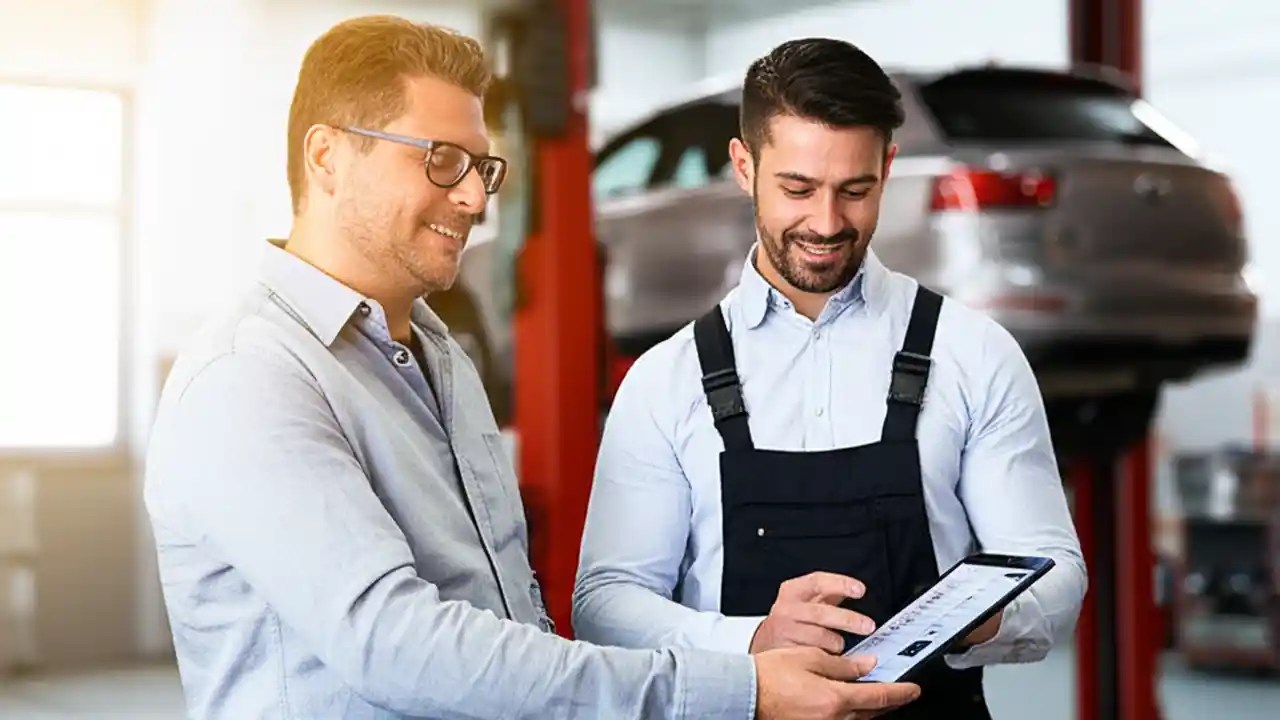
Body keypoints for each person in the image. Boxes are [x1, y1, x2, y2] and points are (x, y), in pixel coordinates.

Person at [142, 15, 923, 720]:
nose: (475, 200)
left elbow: (513, 623)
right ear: (327, 156)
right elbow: (398, 645)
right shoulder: (252, 378)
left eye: (483, 168)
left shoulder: (441, 362)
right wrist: (736, 689)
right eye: (442, 160)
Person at [573, 37, 1088, 719]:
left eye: (856, 190)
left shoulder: (973, 354)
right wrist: (751, 641)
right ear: (744, 166)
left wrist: (966, 620)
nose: (825, 222)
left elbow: (1056, 576)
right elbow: (605, 602)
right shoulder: (668, 381)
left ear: (888, 167)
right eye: (797, 188)